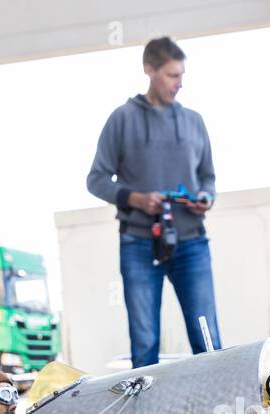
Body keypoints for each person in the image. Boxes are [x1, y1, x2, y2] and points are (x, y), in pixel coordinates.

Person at [87, 36, 220, 369]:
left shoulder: (194, 121)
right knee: (144, 343)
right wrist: (135, 198)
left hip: (191, 243)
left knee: (207, 339)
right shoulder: (122, 119)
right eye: (172, 75)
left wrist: (205, 198)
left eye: (182, 74)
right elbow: (96, 179)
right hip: (139, 244)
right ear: (149, 70)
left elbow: (208, 178)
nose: (180, 83)